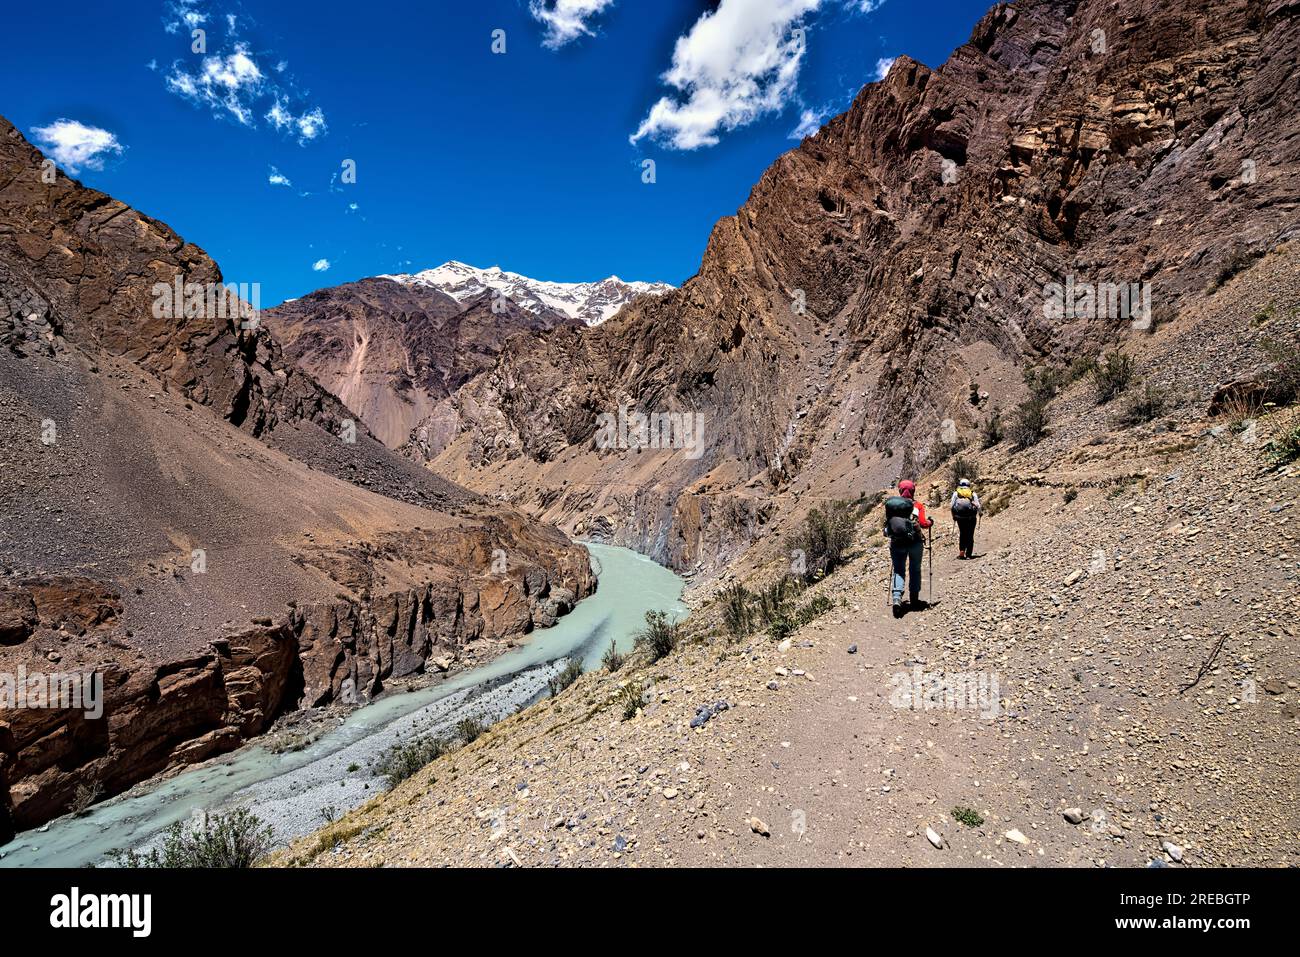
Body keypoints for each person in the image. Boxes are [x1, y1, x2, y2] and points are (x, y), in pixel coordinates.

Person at [883, 479, 932, 617]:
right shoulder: (917, 505)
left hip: (897, 543)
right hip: (915, 542)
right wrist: (930, 522)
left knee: (899, 570)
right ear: (913, 491)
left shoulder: (893, 506)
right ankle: (914, 599)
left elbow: (888, 525)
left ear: (900, 490)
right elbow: (923, 524)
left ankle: (897, 598)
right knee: (915, 569)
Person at [950, 478, 981, 559]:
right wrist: (980, 513)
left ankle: (961, 553)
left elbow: (952, 506)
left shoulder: (956, 493)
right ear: (969, 485)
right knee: (970, 535)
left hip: (960, 518)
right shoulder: (972, 493)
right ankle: (968, 555)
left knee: (963, 534)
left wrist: (953, 516)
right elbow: (978, 505)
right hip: (971, 517)